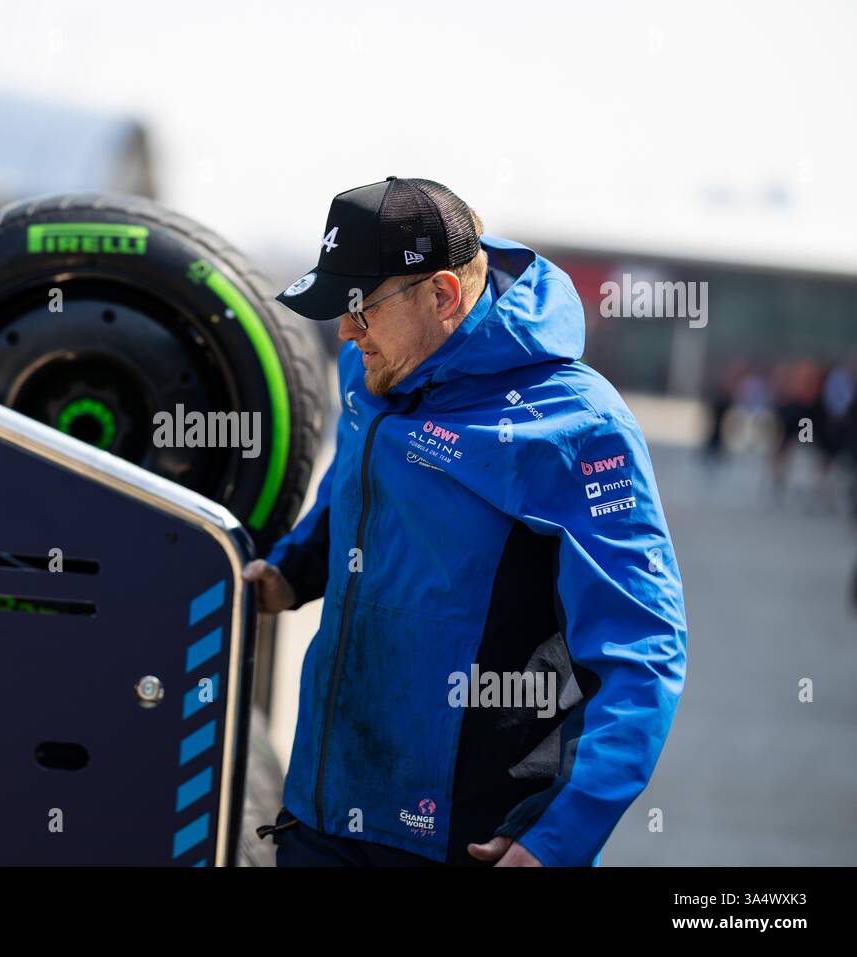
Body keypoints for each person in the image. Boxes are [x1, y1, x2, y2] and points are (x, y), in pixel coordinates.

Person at [246, 177, 688, 867]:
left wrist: (559, 835)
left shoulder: (578, 424)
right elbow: (358, 478)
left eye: (360, 308)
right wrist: (290, 571)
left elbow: (643, 650)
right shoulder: (373, 367)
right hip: (320, 819)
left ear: (444, 295)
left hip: (465, 845)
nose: (345, 332)